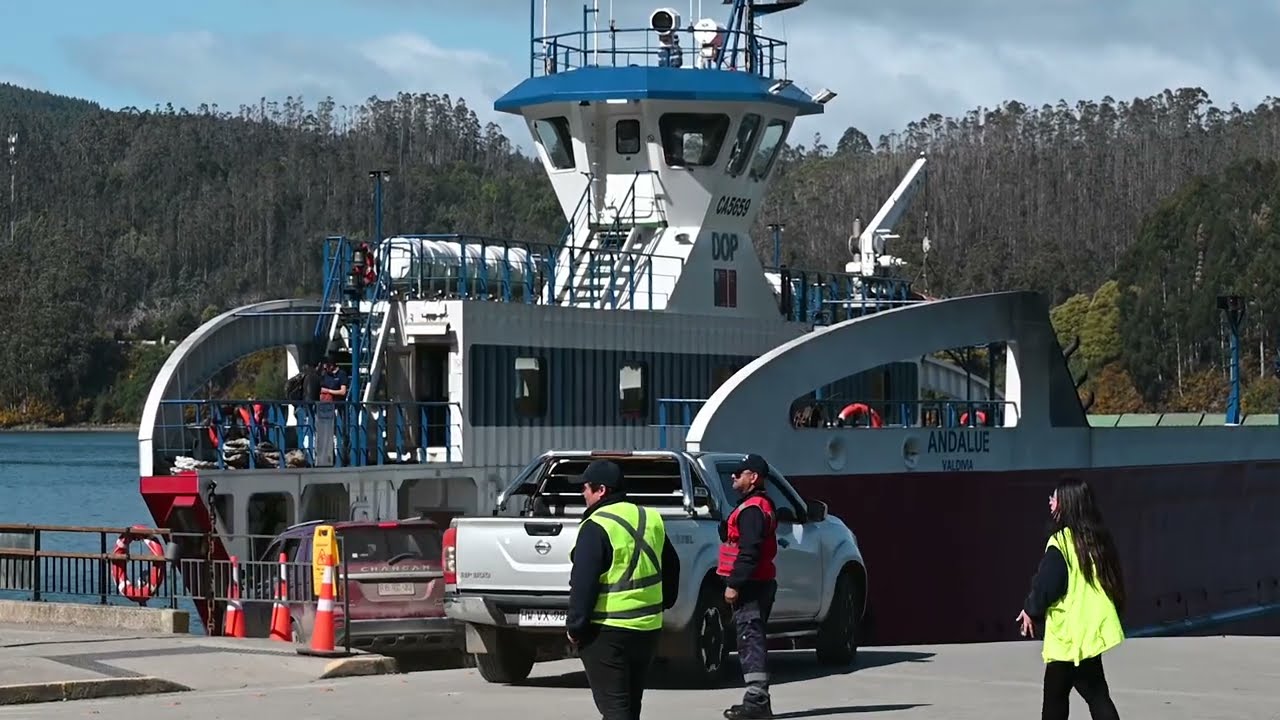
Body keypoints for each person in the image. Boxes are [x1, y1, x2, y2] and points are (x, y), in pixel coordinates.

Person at [567, 459, 680, 720]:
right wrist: (663, 603)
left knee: (616, 710)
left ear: (601, 490)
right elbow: (672, 566)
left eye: (585, 488)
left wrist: (576, 627)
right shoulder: (650, 518)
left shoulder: (595, 525)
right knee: (630, 707)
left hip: (608, 632)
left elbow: (583, 581)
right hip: (647, 629)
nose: (583, 494)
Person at [1017, 477, 1126, 720]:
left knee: (1055, 700)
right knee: (1097, 694)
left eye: (1054, 498)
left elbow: (1047, 584)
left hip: (1068, 637)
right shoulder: (1096, 539)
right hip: (1089, 633)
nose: (1050, 502)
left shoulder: (1061, 544)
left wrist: (1031, 610)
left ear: (1065, 504)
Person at [717, 453, 779, 720]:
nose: (733, 476)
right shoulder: (753, 506)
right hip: (758, 583)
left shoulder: (753, 509)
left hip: (751, 586)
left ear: (753, 478)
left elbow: (749, 551)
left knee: (750, 640)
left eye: (739, 473)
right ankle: (757, 701)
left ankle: (756, 702)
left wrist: (734, 584)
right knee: (750, 639)